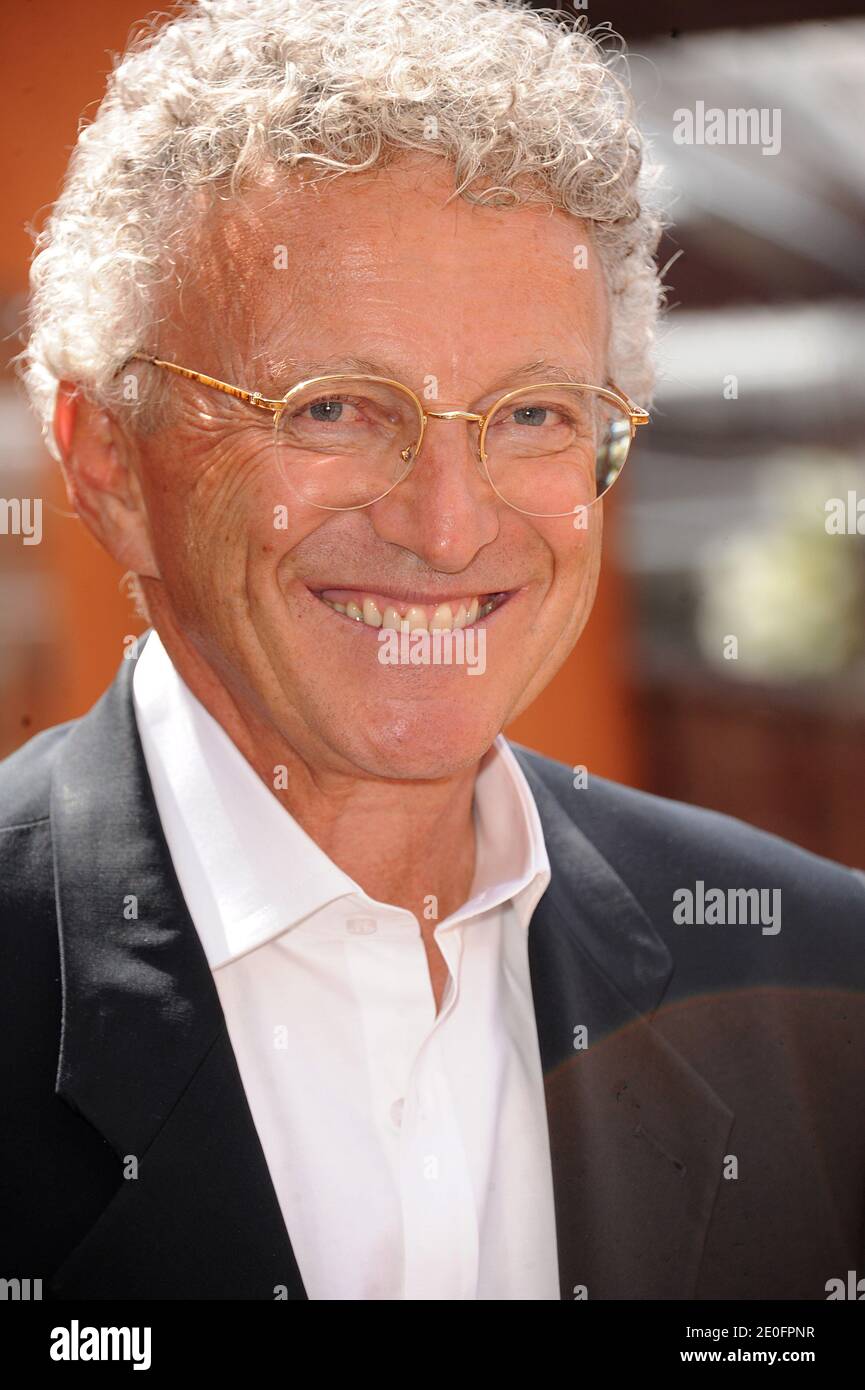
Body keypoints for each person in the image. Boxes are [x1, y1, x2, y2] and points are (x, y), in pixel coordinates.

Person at [3, 0, 864, 1302]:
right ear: (105, 457)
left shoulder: (821, 974)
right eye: (333, 407)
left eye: (528, 412)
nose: (447, 525)